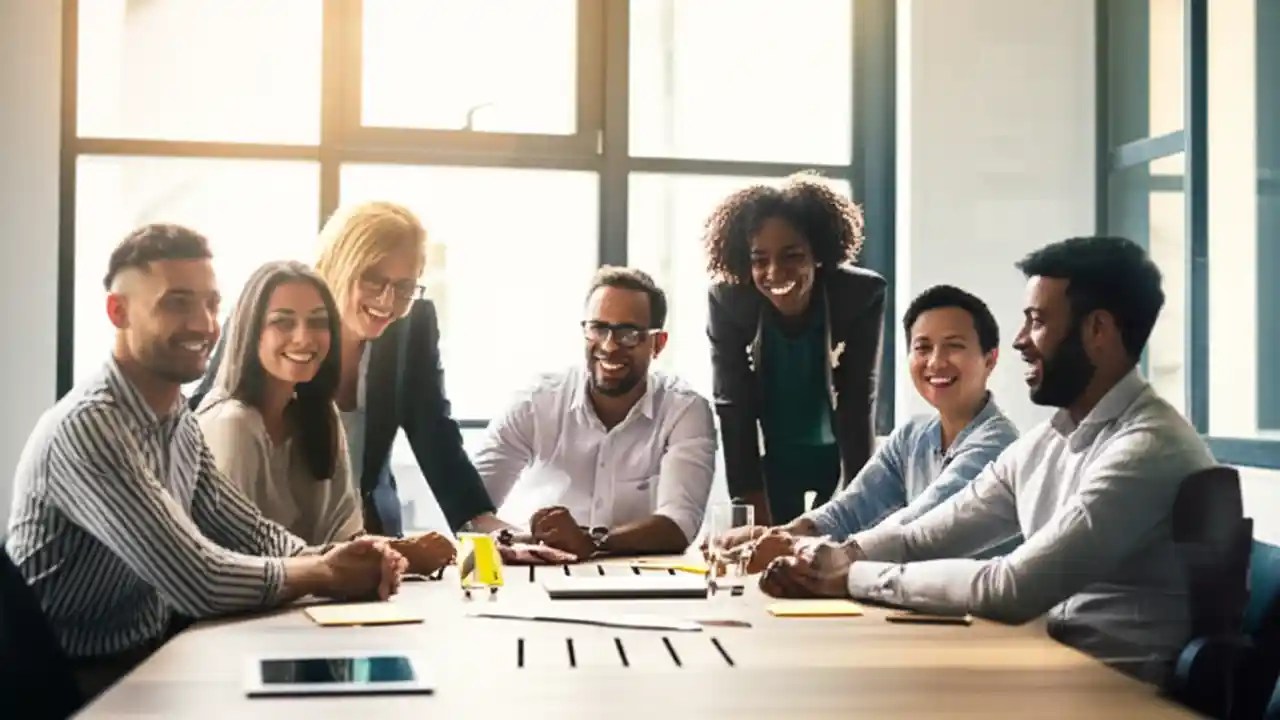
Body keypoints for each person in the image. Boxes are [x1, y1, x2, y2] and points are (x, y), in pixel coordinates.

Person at [759, 236, 1215, 684]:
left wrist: (851, 576)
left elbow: (1011, 588)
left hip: (1118, 692)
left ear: (1097, 330)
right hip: (1050, 666)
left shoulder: (1148, 448)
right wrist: (841, 555)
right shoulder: (1044, 444)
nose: (1020, 340)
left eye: (1037, 321)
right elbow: (927, 535)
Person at [5, 225, 406, 699]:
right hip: (63, 683)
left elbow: (250, 530)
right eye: (176, 303)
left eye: (211, 304)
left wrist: (341, 558)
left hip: (145, 660)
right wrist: (327, 573)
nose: (204, 324)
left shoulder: (175, 415)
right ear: (119, 312)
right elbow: (198, 580)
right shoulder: (91, 427)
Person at [196, 201, 504, 538]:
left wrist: (481, 521)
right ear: (340, 266)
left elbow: (434, 430)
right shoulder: (271, 316)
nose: (388, 302)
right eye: (373, 280)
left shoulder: (411, 326)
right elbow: (210, 412)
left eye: (404, 287)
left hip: (363, 526)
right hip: (275, 529)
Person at [713, 285, 1019, 571]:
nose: (936, 362)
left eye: (954, 346)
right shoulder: (912, 435)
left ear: (990, 359)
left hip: (982, 616)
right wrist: (777, 534)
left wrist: (797, 548)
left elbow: (921, 523)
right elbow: (852, 508)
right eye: (922, 348)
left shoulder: (998, 442)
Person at [194, 261, 454, 574]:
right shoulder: (231, 424)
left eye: (318, 322)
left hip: (307, 610)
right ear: (251, 332)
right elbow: (239, 564)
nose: (304, 338)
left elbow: (344, 535)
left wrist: (395, 552)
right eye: (283, 322)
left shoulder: (320, 414)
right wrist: (391, 554)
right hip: (237, 618)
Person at [472, 267, 717, 561]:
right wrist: (528, 541)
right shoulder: (535, 403)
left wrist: (592, 541)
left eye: (628, 333)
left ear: (658, 344)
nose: (610, 345)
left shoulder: (685, 410)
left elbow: (679, 524)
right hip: (536, 576)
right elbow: (471, 509)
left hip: (642, 588)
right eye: (598, 328)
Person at [705, 172, 887, 526]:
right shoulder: (729, 301)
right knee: (764, 560)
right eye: (760, 260)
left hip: (838, 453)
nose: (775, 272)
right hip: (772, 458)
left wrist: (859, 500)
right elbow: (732, 407)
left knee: (834, 556)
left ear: (817, 253)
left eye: (792, 256)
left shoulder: (859, 296)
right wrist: (750, 509)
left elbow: (858, 398)